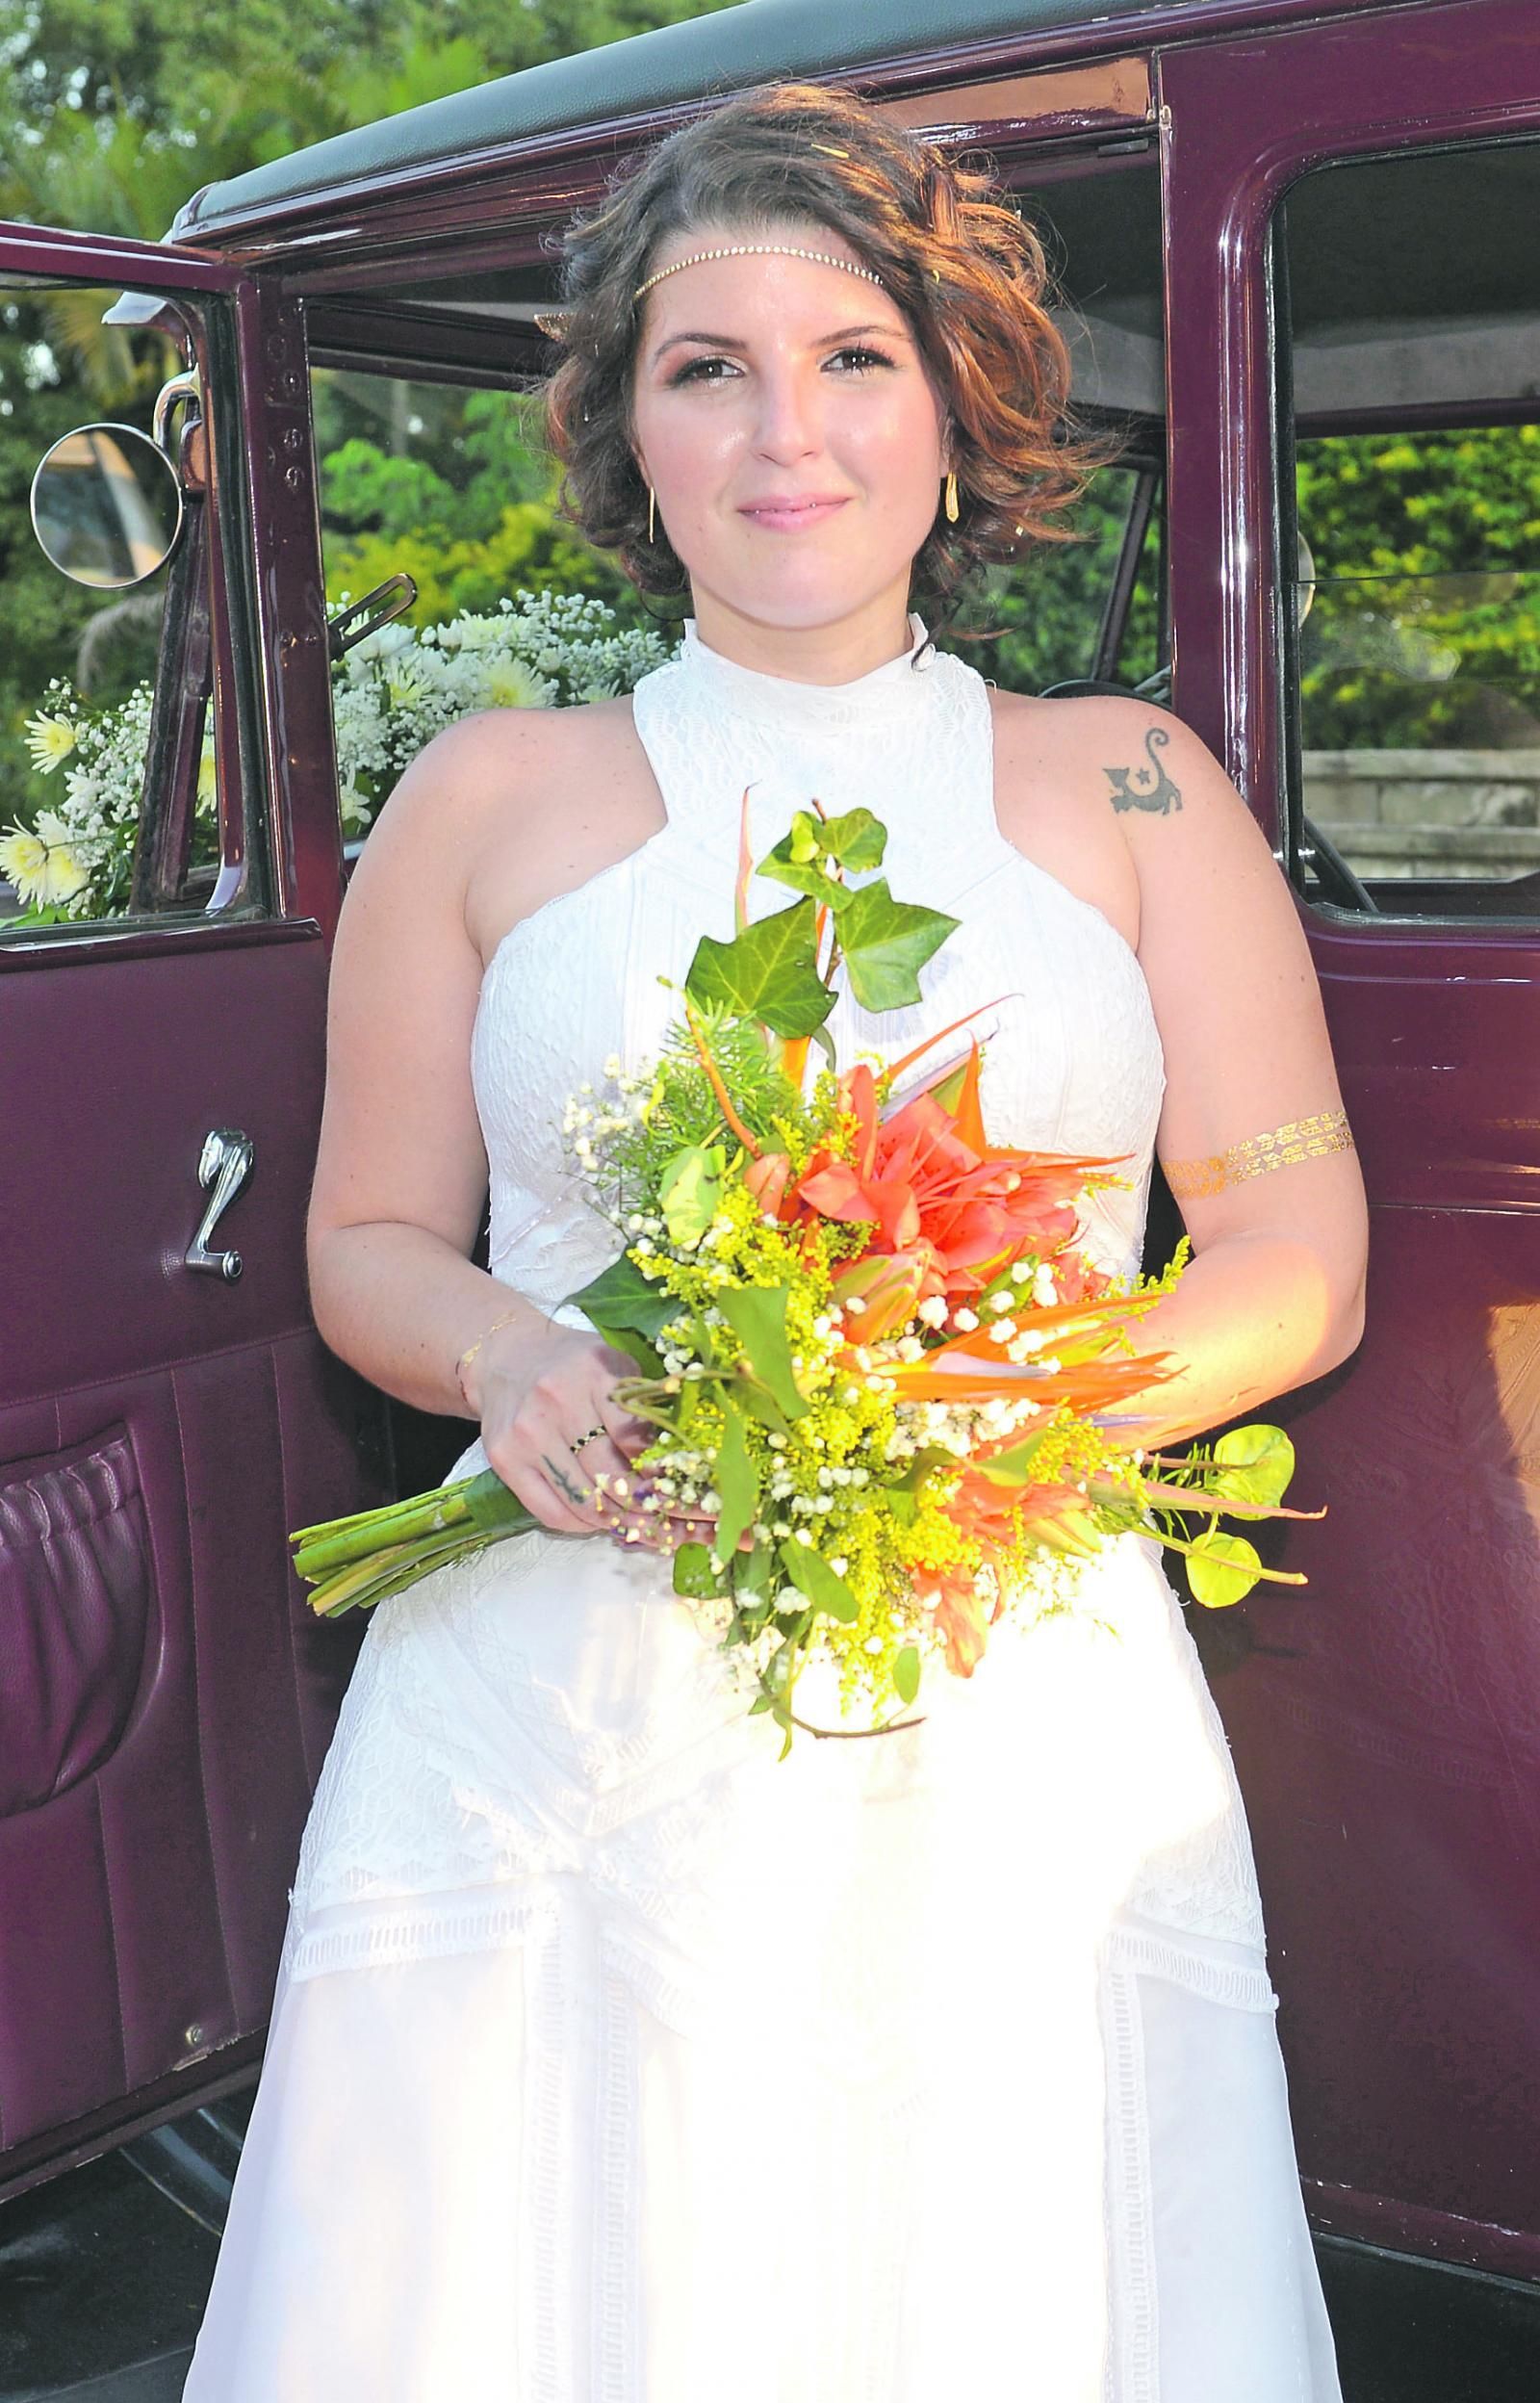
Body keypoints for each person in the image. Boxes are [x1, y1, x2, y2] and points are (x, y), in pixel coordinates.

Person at [183, 80, 1366, 2402]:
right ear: (627, 434)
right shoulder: (482, 796)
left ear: (953, 402)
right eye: (704, 368)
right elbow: (370, 1240)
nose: (782, 433)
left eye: (850, 357)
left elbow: (1293, 1245)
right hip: (553, 1714)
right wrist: (511, 1359)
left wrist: (994, 1411)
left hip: (1003, 1693)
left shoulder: (1134, 784)